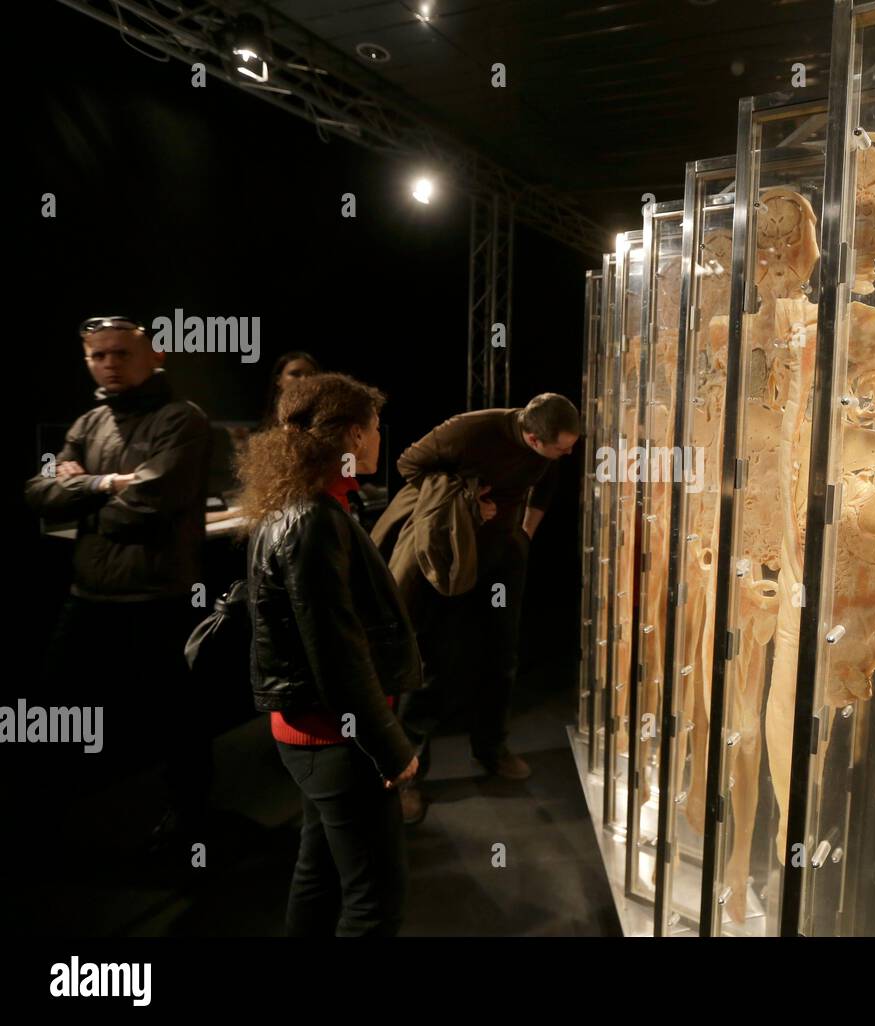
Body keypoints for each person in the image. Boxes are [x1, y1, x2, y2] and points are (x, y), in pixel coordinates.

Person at [239, 372, 420, 937]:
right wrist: (391, 749)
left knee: (316, 873)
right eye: (373, 428)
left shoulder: (308, 506)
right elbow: (336, 655)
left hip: (315, 736)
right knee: (373, 902)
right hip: (337, 739)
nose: (378, 438)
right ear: (349, 435)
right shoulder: (312, 520)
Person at [25, 315, 213, 847]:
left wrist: (83, 497)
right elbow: (38, 493)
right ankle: (44, 816)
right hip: (90, 595)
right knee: (53, 709)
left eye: (121, 353)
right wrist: (106, 484)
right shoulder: (87, 424)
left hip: (159, 597)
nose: (109, 364)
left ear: (155, 356)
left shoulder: (183, 421)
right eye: (97, 355)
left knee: (177, 719)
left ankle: (191, 820)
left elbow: (146, 508)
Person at [395, 392, 580, 781]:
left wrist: (525, 533)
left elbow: (548, 477)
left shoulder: (549, 451)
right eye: (561, 448)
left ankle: (491, 749)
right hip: (453, 555)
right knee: (432, 661)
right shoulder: (469, 431)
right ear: (533, 439)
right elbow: (408, 465)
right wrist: (464, 502)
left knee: (500, 657)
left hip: (502, 557)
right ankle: (410, 769)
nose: (567, 453)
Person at [261, 350, 321, 428]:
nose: (304, 379)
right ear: (278, 380)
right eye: (295, 374)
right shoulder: (267, 426)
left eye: (311, 375)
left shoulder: (324, 422)